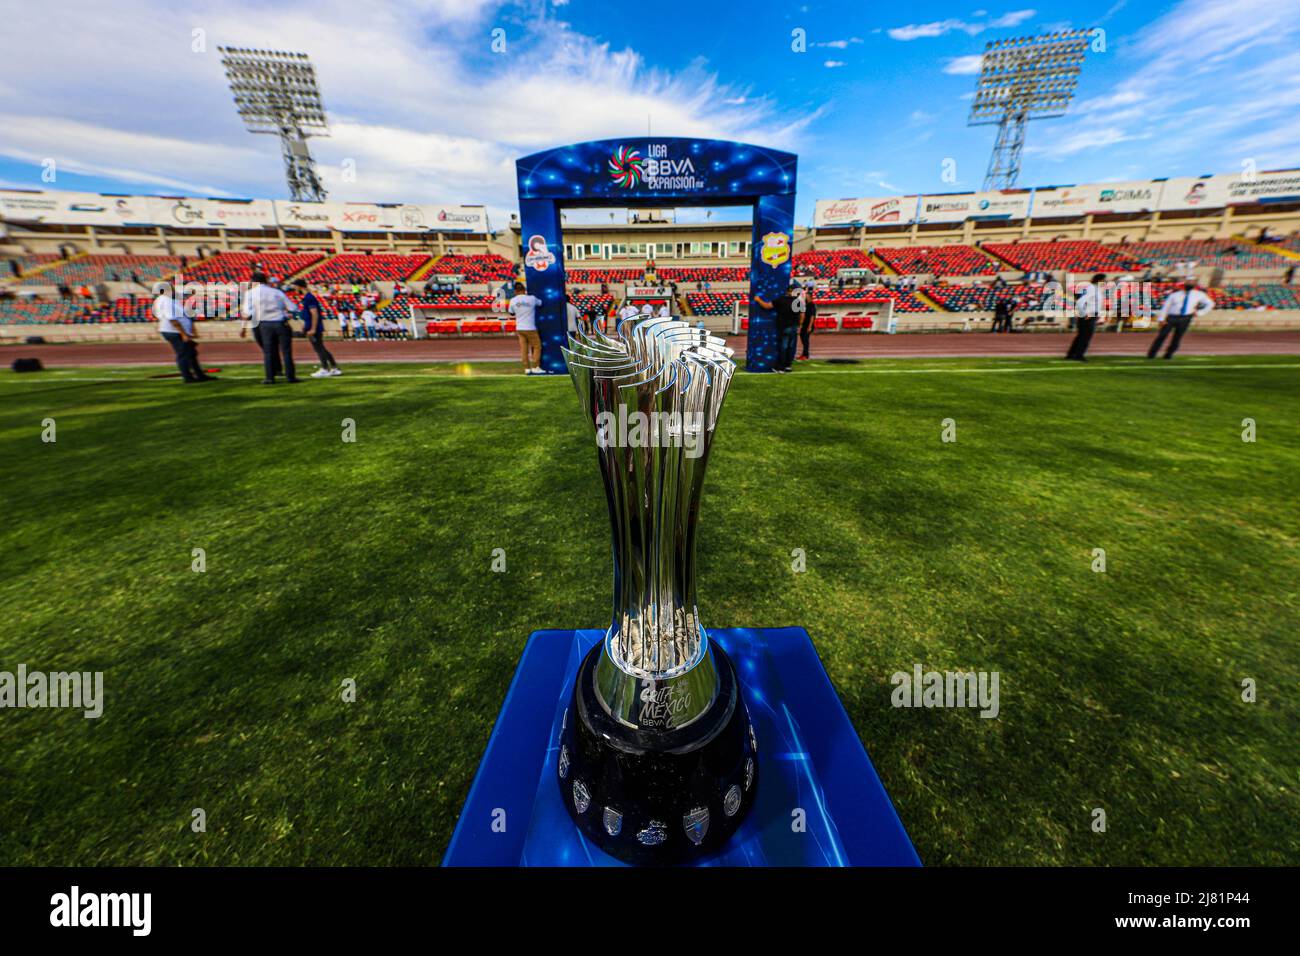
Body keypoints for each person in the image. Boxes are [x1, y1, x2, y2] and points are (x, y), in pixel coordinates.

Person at [241, 270, 298, 384]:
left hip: (264, 324)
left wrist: (243, 327)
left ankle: (270, 377)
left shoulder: (250, 293)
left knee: (268, 352)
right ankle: (290, 377)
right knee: (286, 352)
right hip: (280, 322)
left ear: (253, 281)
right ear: (266, 280)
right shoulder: (276, 292)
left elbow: (246, 312)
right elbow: (293, 308)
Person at [154, 287, 211, 383]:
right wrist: (184, 334)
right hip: (174, 332)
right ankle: (188, 378)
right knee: (183, 354)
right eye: (171, 289)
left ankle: (199, 375)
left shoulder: (171, 299)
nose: (174, 290)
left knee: (191, 353)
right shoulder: (166, 301)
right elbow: (172, 320)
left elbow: (182, 294)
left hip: (177, 331)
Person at [1148, 281, 1212, 360]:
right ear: (1183, 286)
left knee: (1177, 337)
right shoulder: (1174, 295)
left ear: (1194, 286)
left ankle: (1168, 355)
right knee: (1162, 336)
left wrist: (1200, 313)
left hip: (1186, 318)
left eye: (1191, 284)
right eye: (1188, 284)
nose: (1189, 286)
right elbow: (1166, 307)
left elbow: (1210, 303)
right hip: (1171, 317)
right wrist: (1161, 319)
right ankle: (1152, 354)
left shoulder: (1199, 295)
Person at [295, 280, 340, 377]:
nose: (295, 289)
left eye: (295, 287)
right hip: (312, 327)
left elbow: (314, 314)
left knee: (319, 348)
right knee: (321, 348)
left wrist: (313, 329)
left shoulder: (309, 298)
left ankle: (325, 369)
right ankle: (334, 368)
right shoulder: (308, 297)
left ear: (300, 286)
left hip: (314, 328)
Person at [754, 283, 801, 373]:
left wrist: (758, 299)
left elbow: (767, 306)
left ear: (788, 290)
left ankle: (780, 367)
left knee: (783, 347)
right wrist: (800, 325)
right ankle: (788, 365)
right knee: (790, 347)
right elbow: (802, 315)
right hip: (794, 327)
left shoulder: (782, 299)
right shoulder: (798, 301)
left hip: (784, 327)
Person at [1065, 274, 1105, 362]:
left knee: (1081, 336)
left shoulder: (1095, 289)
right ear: (1099, 280)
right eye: (1104, 280)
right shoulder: (1091, 289)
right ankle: (1079, 355)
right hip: (1088, 316)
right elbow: (1080, 301)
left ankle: (1071, 354)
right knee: (1086, 336)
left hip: (1090, 315)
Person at [508, 282, 543, 374]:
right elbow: (541, 303)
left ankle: (527, 368)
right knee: (537, 346)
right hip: (530, 327)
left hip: (520, 327)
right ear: (524, 290)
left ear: (515, 291)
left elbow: (511, 313)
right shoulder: (531, 299)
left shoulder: (513, 300)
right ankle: (535, 366)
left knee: (524, 349)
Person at [798, 288, 818, 360]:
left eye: (807, 296)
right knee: (802, 338)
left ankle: (805, 355)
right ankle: (805, 353)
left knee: (805, 340)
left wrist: (809, 327)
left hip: (808, 326)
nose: (806, 296)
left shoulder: (812, 305)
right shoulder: (806, 304)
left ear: (810, 297)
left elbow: (812, 317)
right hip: (804, 325)